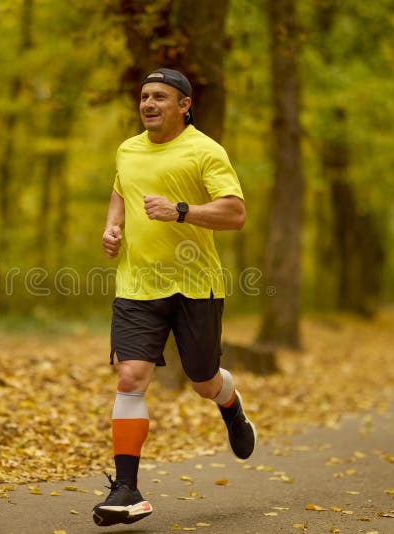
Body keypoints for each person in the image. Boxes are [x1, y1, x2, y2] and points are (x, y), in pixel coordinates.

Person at [92, 68, 256, 528]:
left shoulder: (205, 150)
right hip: (138, 285)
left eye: (160, 97)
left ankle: (231, 405)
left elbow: (235, 213)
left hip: (195, 285)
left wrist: (180, 211)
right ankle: (127, 489)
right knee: (130, 376)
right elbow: (120, 193)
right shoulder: (127, 149)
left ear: (184, 105)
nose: (148, 104)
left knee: (202, 380)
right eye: (144, 96)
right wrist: (112, 227)